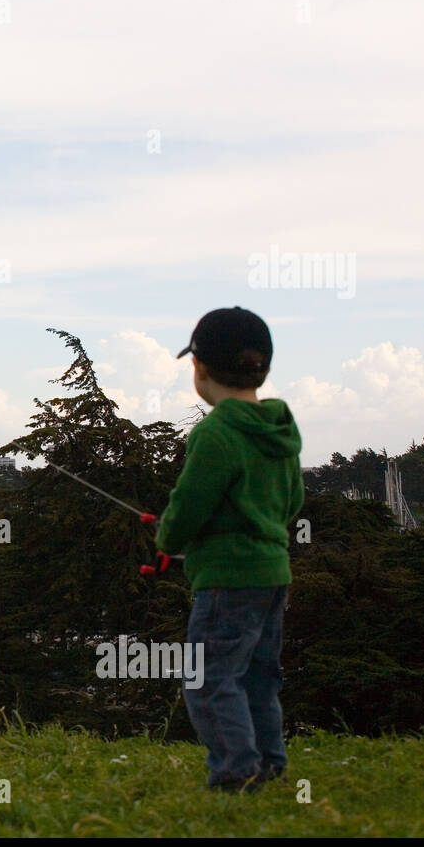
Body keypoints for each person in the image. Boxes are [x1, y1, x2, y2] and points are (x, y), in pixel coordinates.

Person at [155, 306, 304, 793]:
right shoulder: (281, 431)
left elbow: (189, 505)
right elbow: (292, 501)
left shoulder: (216, 433)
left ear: (198, 368)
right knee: (260, 677)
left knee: (209, 678)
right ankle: (269, 762)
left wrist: (168, 540)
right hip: (273, 574)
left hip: (226, 580)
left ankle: (236, 771)